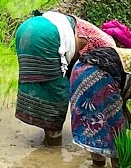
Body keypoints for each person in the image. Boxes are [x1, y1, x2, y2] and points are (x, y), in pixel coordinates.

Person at [14, 10, 83, 144]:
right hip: (47, 35)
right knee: (57, 89)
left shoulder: (88, 31)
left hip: (26, 28)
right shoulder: (103, 43)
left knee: (35, 78)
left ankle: (48, 132)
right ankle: (53, 137)